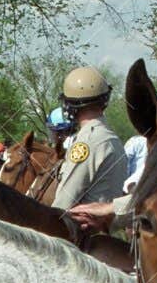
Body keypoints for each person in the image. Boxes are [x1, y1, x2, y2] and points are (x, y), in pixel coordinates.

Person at [52, 67, 126, 210]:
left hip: (81, 230)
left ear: (69, 105)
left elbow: (64, 202)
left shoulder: (87, 142)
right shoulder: (112, 138)